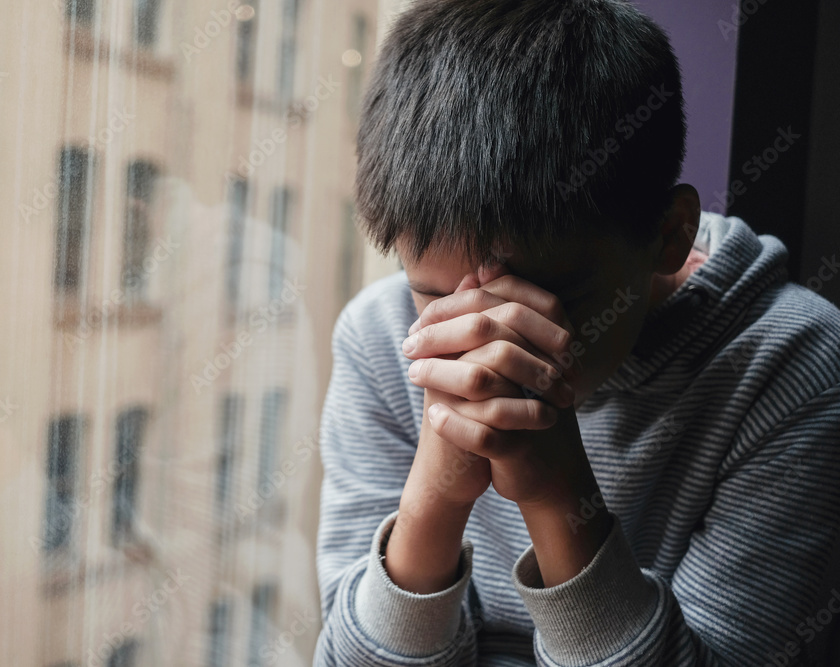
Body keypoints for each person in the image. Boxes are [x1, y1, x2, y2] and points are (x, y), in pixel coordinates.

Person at [312, 1, 840, 665]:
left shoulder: (794, 369)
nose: (485, 348)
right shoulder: (381, 336)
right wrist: (437, 492)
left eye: (545, 300)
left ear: (669, 234)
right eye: (437, 297)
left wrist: (558, 493)